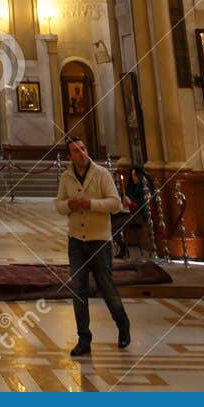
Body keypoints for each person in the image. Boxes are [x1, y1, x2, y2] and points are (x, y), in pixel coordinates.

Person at [54, 133, 131, 358]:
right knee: (78, 291)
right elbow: (58, 205)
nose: (81, 153)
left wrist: (90, 204)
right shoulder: (66, 177)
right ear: (69, 155)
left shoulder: (102, 174)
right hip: (76, 240)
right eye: (76, 150)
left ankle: (123, 325)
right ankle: (83, 338)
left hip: (99, 240)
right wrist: (69, 204)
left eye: (83, 148)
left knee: (107, 287)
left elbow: (115, 203)